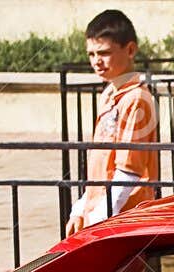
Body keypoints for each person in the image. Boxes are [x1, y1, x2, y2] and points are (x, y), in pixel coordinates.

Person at [65, 9, 158, 235]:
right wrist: (81, 209)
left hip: (125, 216)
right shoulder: (109, 94)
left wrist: (99, 217)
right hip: (104, 211)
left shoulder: (137, 99)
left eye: (104, 53)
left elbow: (129, 171)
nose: (96, 62)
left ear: (130, 50)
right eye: (91, 54)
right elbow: (102, 168)